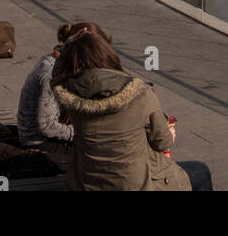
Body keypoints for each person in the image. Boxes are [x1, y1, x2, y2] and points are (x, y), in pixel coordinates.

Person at [51, 30, 212, 191]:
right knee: (200, 170)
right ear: (108, 55)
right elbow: (163, 142)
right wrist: (170, 133)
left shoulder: (71, 93)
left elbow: (56, 75)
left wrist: (71, 44)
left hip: (88, 183)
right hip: (134, 185)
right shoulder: (139, 94)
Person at [17, 22, 112, 167]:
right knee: (101, 158)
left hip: (50, 133)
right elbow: (47, 126)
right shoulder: (50, 74)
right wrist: (86, 134)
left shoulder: (59, 60)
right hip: (38, 140)